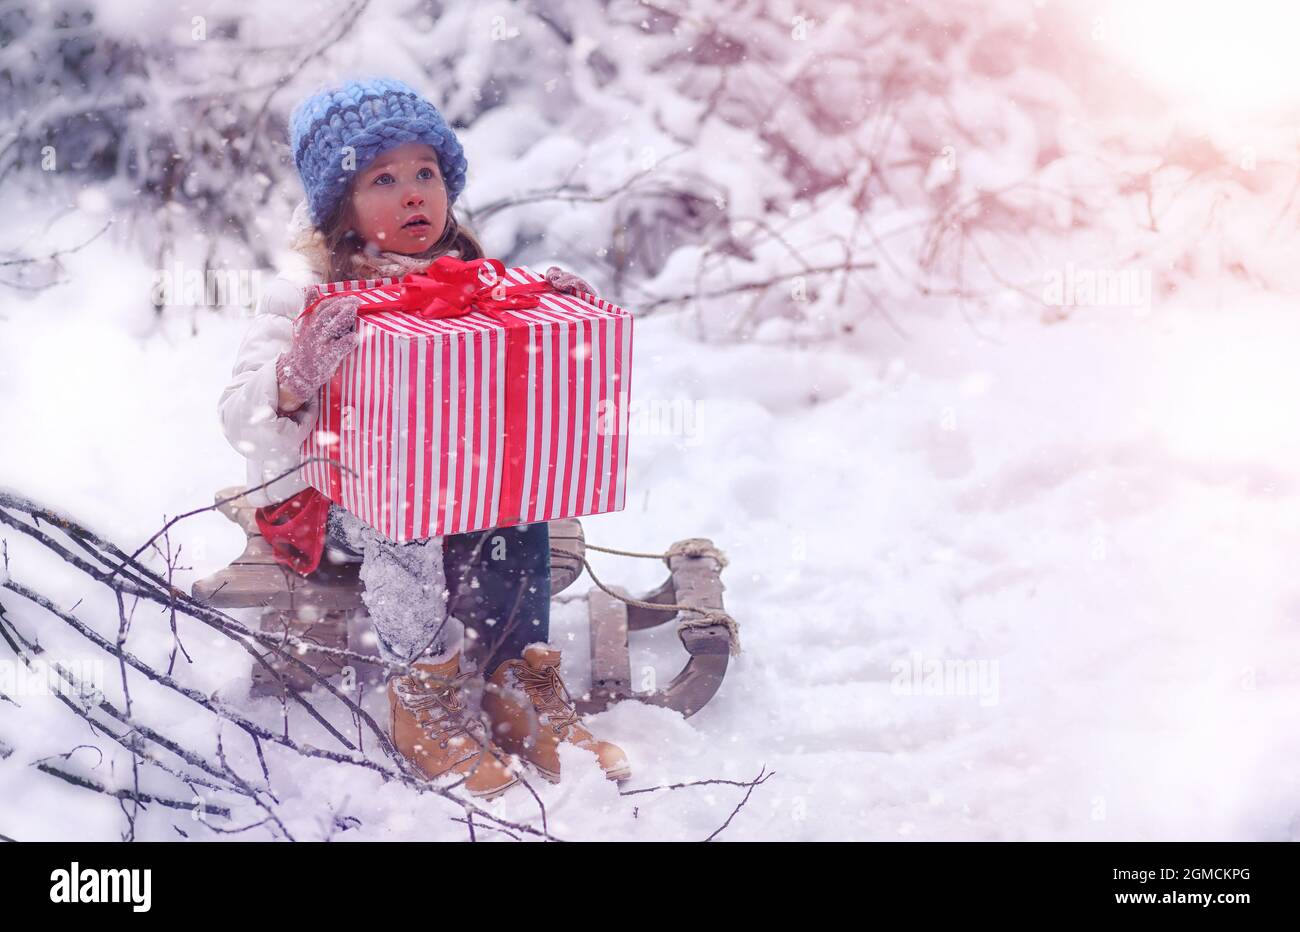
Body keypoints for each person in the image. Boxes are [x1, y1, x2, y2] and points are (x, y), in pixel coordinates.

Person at [217, 77, 629, 799]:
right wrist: (297, 373)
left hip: (453, 489)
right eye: (383, 178)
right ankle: (420, 697)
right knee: (396, 505)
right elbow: (236, 418)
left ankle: (515, 681)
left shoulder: (471, 277)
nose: (414, 193)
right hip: (333, 503)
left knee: (518, 498)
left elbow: (508, 390)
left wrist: (548, 316)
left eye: (426, 173)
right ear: (338, 205)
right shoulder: (305, 293)